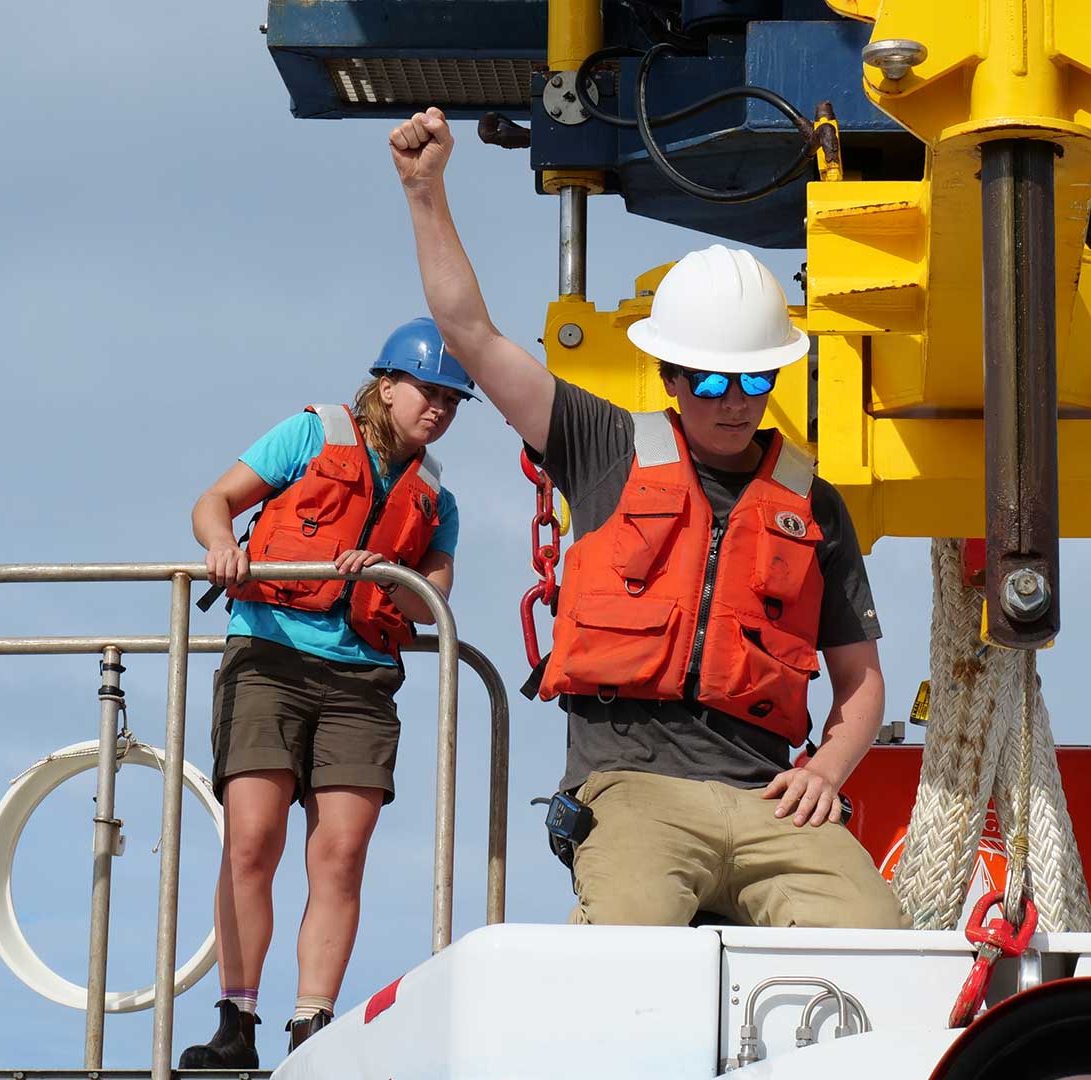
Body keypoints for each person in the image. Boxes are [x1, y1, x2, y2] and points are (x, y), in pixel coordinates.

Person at [390, 107, 902, 929]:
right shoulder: (603, 448)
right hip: (632, 786)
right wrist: (425, 192)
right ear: (669, 378)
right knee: (632, 947)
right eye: (708, 381)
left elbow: (862, 682)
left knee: (879, 942)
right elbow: (471, 334)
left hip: (770, 795)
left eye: (754, 380)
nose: (733, 402)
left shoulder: (812, 502)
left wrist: (828, 771)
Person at [178, 319, 473, 1066]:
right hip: (269, 656)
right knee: (252, 839)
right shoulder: (309, 435)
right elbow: (215, 500)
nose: (438, 408)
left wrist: (390, 577)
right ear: (386, 385)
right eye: (427, 391)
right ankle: (235, 1024)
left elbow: (432, 598)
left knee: (341, 854)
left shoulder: (438, 502)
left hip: (361, 682)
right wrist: (220, 543)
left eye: (452, 399)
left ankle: (312, 1029)